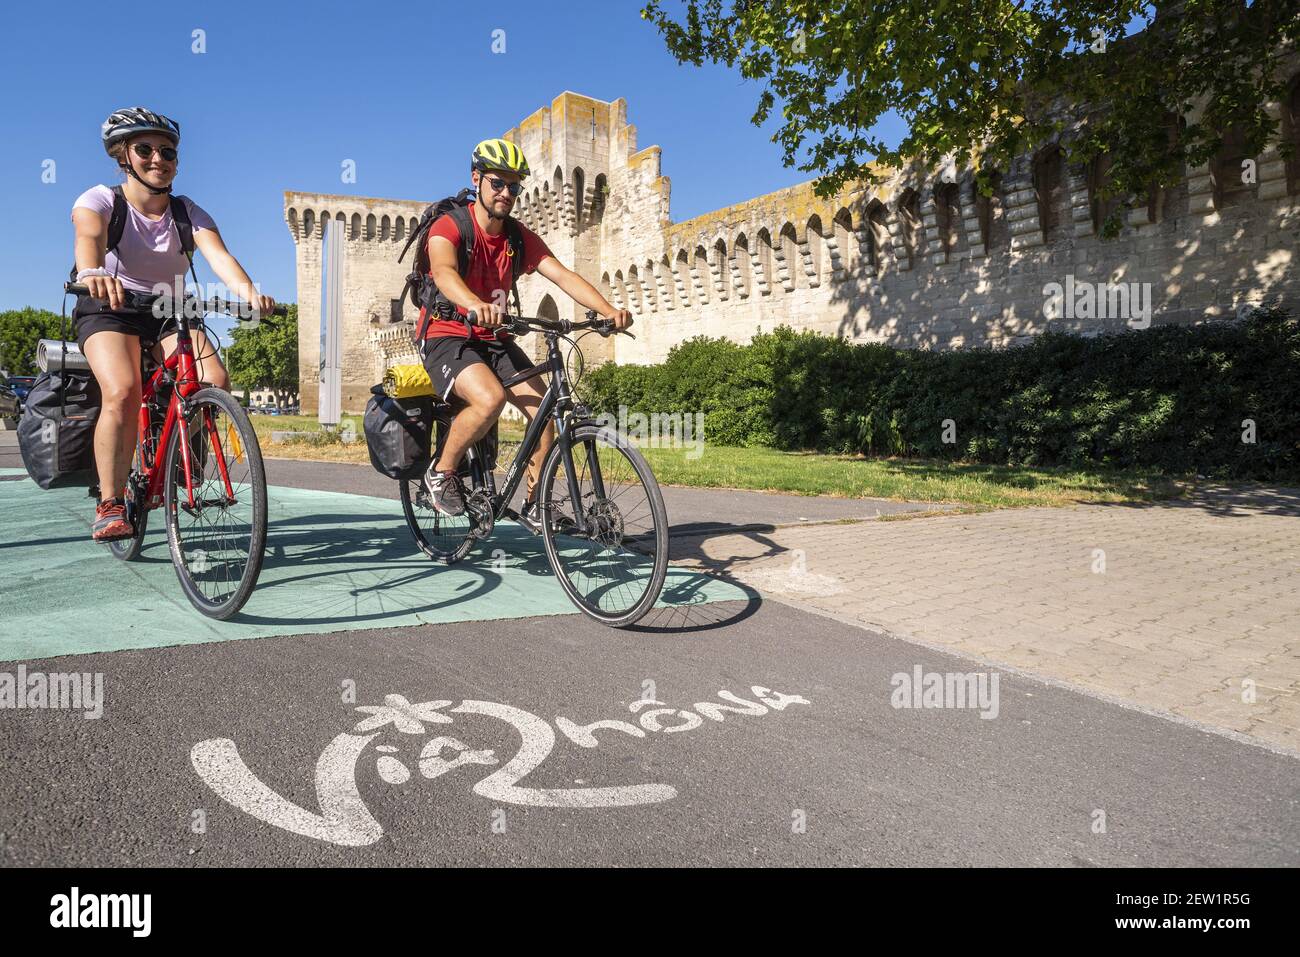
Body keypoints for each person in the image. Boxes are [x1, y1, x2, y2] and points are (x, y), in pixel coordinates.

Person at [71, 107, 276, 541]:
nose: (158, 159)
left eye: (167, 152)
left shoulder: (188, 212)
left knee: (213, 378)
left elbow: (221, 257)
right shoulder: (101, 199)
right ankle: (109, 502)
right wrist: (92, 273)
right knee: (123, 390)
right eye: (144, 149)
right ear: (122, 156)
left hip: (170, 308)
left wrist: (250, 294)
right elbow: (88, 237)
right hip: (112, 303)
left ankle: (175, 452)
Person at [419, 137, 632, 532]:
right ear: (476, 179)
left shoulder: (517, 237)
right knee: (490, 398)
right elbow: (444, 271)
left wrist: (608, 312)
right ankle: (441, 472)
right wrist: (472, 303)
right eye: (498, 183)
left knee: (544, 410)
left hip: (495, 336)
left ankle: (536, 504)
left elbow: (562, 274)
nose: (506, 193)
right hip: (447, 334)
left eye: (514, 187)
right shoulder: (450, 226)